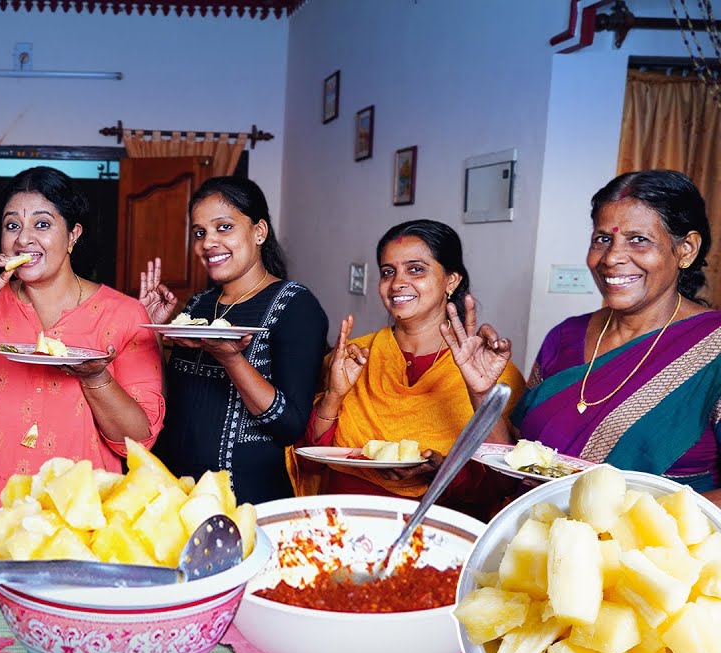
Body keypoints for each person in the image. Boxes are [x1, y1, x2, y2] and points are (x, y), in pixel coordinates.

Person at [0, 166, 165, 532]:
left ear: (73, 235)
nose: (23, 239)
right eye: (12, 226)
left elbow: (136, 439)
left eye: (42, 224)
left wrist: (96, 376)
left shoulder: (124, 315)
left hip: (78, 518)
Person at [503, 170, 721, 502]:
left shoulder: (714, 347)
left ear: (686, 250)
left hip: (656, 552)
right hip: (539, 543)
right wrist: (482, 393)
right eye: (603, 239)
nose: (612, 258)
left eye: (638, 239)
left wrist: (622, 521)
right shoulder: (564, 337)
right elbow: (520, 455)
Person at [287, 220, 525, 518]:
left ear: (451, 280)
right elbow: (311, 459)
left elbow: (503, 483)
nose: (398, 282)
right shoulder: (355, 356)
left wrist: (442, 470)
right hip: (341, 525)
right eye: (388, 272)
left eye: (416, 269)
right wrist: (334, 394)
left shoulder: (494, 372)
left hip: (434, 534)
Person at [139, 177, 327, 505]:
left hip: (248, 499)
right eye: (200, 233)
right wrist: (152, 332)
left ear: (259, 232)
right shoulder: (198, 305)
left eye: (223, 227)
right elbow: (170, 404)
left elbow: (290, 426)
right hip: (176, 494)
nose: (208, 242)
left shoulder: (294, 305)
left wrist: (231, 359)